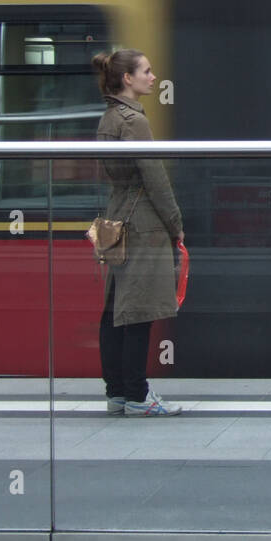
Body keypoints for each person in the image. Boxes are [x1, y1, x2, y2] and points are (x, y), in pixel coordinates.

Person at [93, 49, 184, 417]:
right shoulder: (135, 122)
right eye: (146, 71)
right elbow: (156, 179)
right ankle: (137, 395)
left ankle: (116, 391)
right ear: (127, 79)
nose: (153, 76)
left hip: (115, 218)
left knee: (115, 309)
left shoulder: (109, 118)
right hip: (143, 223)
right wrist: (175, 223)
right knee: (139, 312)